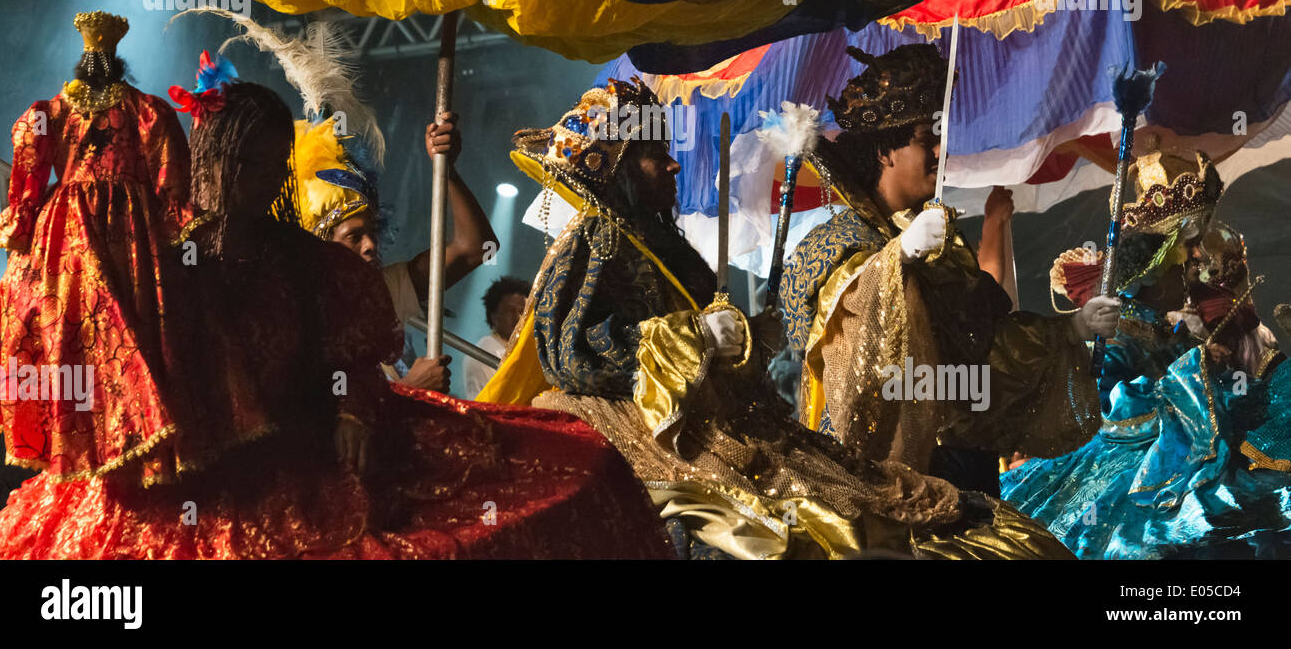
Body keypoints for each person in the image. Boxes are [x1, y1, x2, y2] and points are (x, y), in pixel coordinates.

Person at [0, 60, 675, 558]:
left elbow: (347, 360)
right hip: (192, 478)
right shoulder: (165, 267)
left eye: (265, 163)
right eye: (235, 162)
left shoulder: (314, 266)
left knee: (549, 475)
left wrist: (352, 406)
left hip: (301, 454)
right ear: (203, 161)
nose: (247, 179)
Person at [478, 77, 1074, 559]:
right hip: (654, 428)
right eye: (658, 157)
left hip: (744, 418)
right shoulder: (593, 241)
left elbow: (984, 324)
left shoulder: (668, 244)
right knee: (790, 528)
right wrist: (693, 338)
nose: (675, 168)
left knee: (884, 509)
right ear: (619, 164)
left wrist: (746, 338)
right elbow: (571, 355)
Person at [778, 45, 1114, 494]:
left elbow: (986, 347)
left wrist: (1069, 330)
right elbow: (842, 349)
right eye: (925, 139)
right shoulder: (836, 244)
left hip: (968, 470)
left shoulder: (945, 244)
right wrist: (894, 263)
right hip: (884, 485)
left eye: (939, 137)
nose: (940, 151)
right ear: (885, 152)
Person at [1002, 154, 1291, 558]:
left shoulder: (1168, 326)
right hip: (1125, 476)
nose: (1193, 276)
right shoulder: (1115, 333)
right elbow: (1100, 414)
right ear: (1153, 276)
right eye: (1183, 267)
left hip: (1185, 449)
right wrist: (1196, 368)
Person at [0, 11, 192, 482]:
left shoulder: (144, 111)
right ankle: (86, 451)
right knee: (78, 334)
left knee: (123, 330)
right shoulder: (57, 112)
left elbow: (171, 186)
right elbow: (29, 180)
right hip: (75, 236)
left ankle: (127, 446)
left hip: (121, 234)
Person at [294, 110, 497, 394]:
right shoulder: (294, 314)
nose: (370, 245)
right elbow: (316, 416)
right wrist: (411, 389)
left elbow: (477, 249)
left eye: (371, 233)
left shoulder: (381, 290)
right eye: (354, 237)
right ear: (318, 249)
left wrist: (447, 170)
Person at [465, 275, 530, 399]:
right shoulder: (485, 351)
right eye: (510, 311)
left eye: (522, 311)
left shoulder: (518, 347)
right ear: (494, 316)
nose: (518, 318)